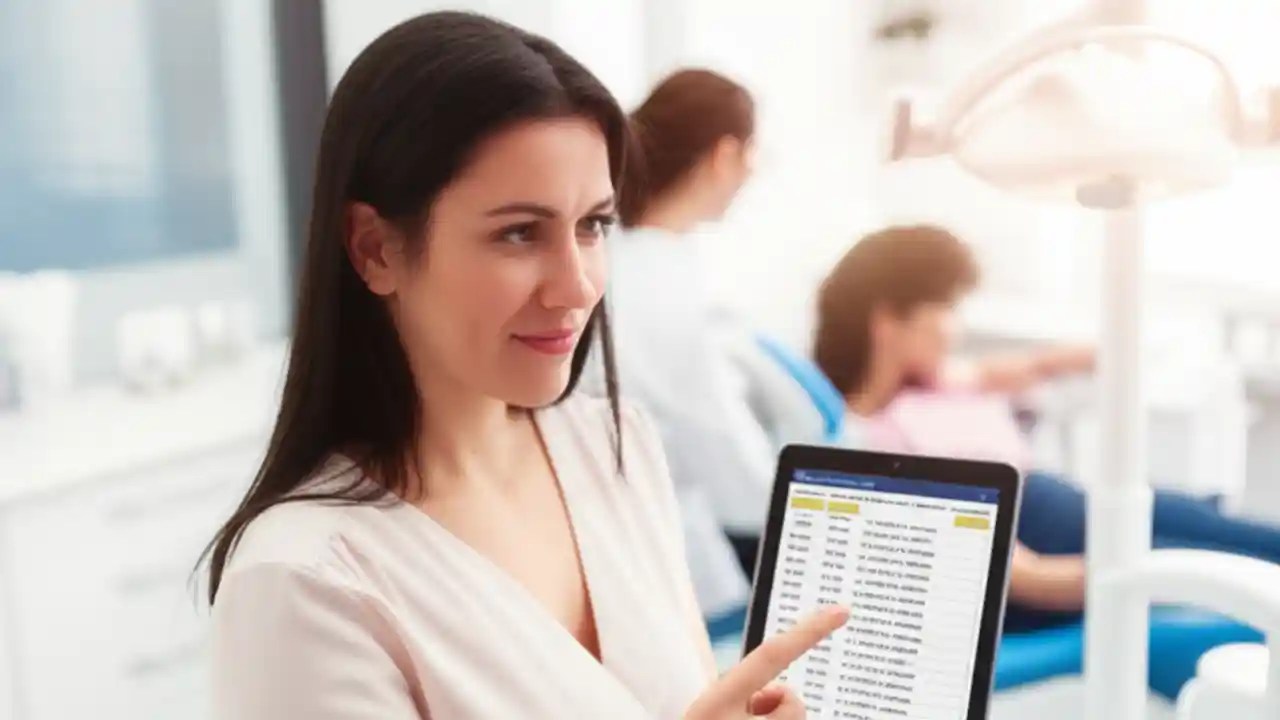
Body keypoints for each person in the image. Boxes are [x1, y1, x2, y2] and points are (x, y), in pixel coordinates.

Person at [202, 12, 847, 719]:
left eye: (593, 225)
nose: (577, 286)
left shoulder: (617, 446)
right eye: (517, 233)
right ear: (375, 249)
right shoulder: (305, 579)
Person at [812, 224, 1280, 632]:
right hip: (1047, 539)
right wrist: (1139, 577)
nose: (955, 327)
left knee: (1229, 528)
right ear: (888, 321)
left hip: (1076, 504)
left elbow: (1029, 368)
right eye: (945, 308)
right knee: (1225, 565)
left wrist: (1114, 347)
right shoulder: (874, 440)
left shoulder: (939, 380)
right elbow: (1019, 574)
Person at [605, 70, 783, 616]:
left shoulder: (615, 254)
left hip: (631, 539)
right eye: (753, 154)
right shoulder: (668, 283)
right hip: (661, 559)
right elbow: (728, 456)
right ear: (724, 155)